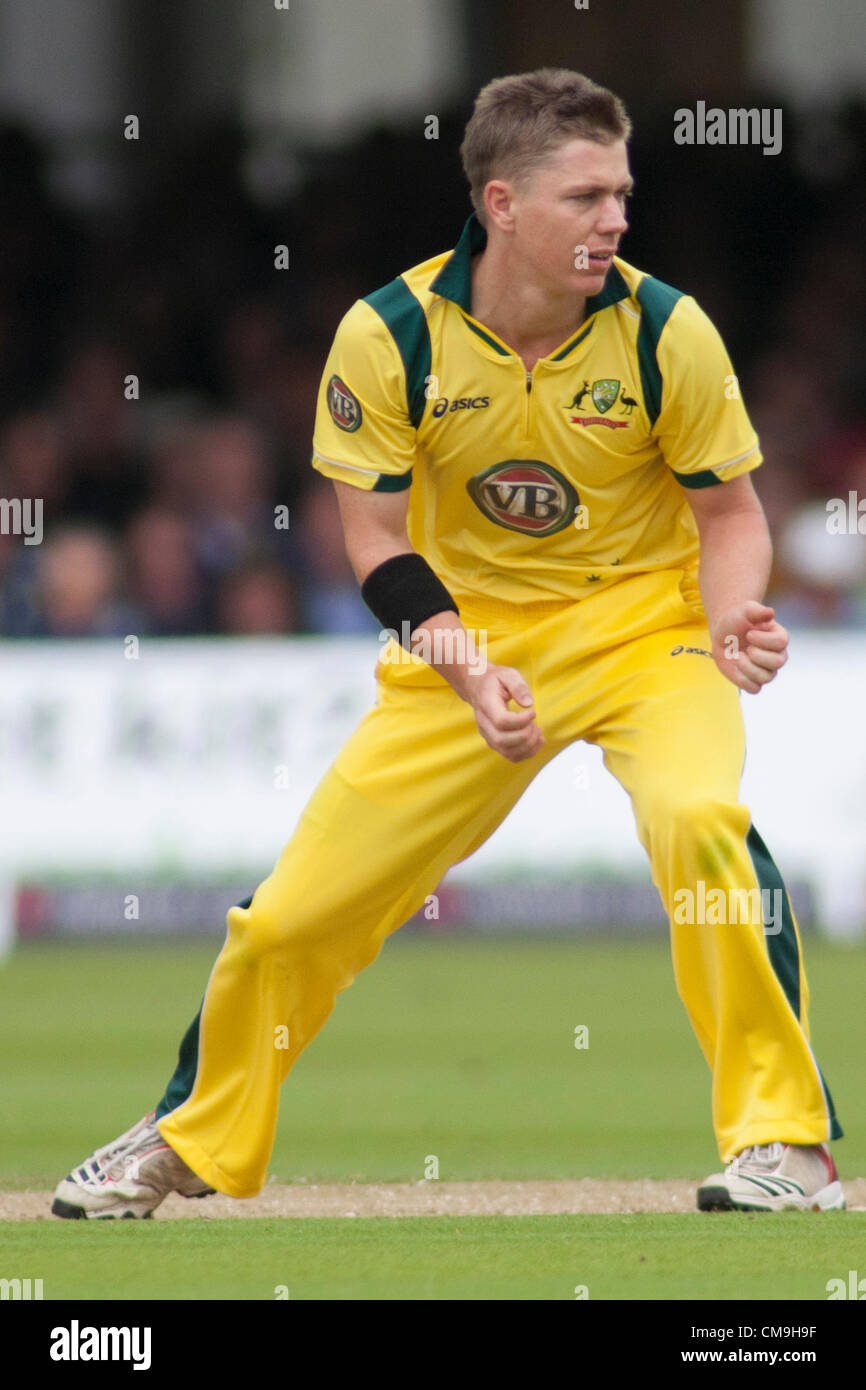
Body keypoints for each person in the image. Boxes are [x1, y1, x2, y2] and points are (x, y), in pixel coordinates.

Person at [53, 68, 843, 1220]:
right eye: (584, 197)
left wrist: (729, 614)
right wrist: (467, 663)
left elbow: (729, 515)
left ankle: (784, 1142)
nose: (615, 219)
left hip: (643, 629)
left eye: (621, 193)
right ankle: (184, 1137)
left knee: (700, 827)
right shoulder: (389, 336)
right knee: (291, 917)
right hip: (465, 641)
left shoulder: (667, 330)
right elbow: (372, 543)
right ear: (500, 204)